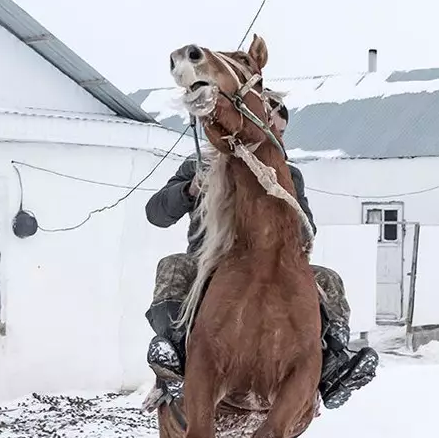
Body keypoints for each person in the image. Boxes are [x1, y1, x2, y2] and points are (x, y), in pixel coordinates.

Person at [143, 97, 379, 410]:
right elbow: (156, 213)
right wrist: (191, 189)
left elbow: (307, 228)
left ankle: (333, 365)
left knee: (329, 279)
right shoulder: (199, 165)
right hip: (209, 264)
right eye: (269, 129)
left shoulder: (289, 175)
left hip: (269, 268)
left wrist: (279, 195)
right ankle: (174, 357)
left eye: (279, 133)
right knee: (171, 267)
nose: (274, 138)